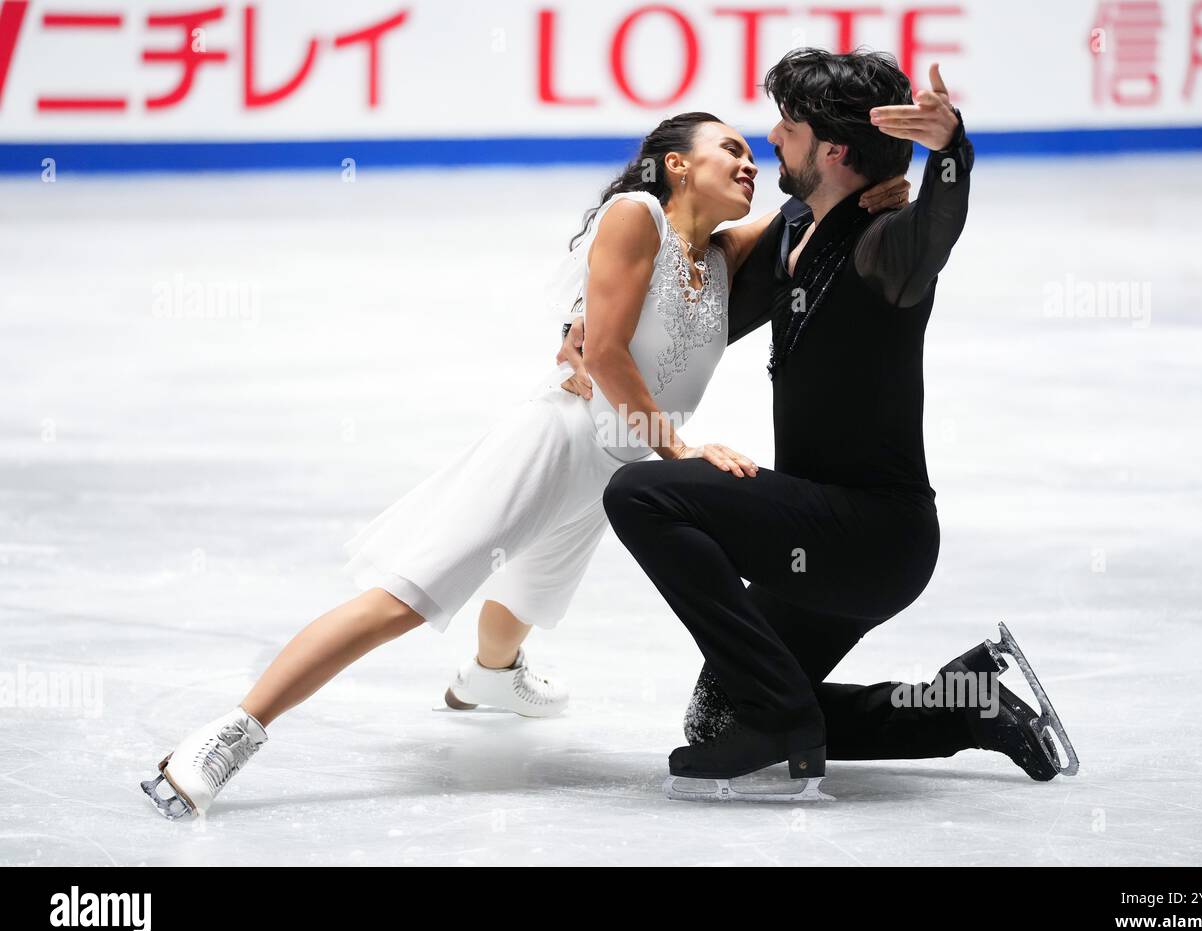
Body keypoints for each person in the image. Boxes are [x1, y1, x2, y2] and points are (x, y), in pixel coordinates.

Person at [138, 109, 911, 820]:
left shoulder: (720, 248)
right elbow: (602, 353)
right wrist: (678, 448)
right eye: (731, 150)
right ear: (676, 164)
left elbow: (812, 211)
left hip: (617, 467)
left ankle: (488, 678)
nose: (749, 163)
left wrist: (881, 188)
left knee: (531, 595)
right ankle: (230, 735)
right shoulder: (634, 215)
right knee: (406, 599)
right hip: (558, 442)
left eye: (753, 153)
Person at [565, 49, 1079, 801]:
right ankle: (964, 704)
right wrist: (584, 326)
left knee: (644, 495)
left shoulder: (885, 248)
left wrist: (950, 154)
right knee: (715, 719)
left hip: (871, 537)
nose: (773, 134)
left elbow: (937, 230)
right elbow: (689, 317)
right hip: (818, 538)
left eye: (791, 126)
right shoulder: (799, 228)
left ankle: (781, 719)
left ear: (832, 151)